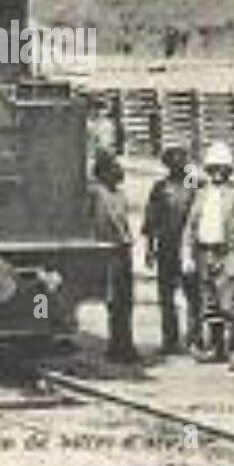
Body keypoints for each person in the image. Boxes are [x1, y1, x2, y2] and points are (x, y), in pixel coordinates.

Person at [182, 142, 234, 370]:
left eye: (222, 168)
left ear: (229, 170)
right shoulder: (201, 193)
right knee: (210, 306)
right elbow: (190, 226)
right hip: (205, 254)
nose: (217, 173)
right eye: (212, 168)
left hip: (229, 254)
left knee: (231, 306)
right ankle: (217, 347)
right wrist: (188, 256)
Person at [141, 146, 200, 355]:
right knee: (166, 297)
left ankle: (195, 338)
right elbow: (150, 220)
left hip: (188, 248)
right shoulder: (160, 187)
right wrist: (149, 249)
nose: (179, 164)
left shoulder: (193, 185)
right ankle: (170, 339)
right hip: (166, 247)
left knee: (194, 295)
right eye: (174, 161)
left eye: (183, 160)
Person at [88, 149, 137, 363]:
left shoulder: (119, 194)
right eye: (113, 168)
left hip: (122, 250)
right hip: (106, 252)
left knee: (125, 301)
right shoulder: (95, 193)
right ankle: (117, 346)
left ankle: (124, 344)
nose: (119, 172)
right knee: (114, 301)